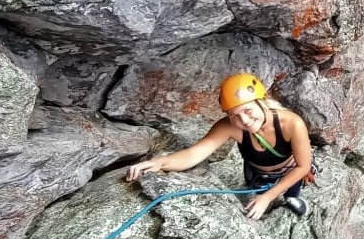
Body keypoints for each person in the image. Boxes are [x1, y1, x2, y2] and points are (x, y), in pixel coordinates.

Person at [125, 73, 313, 219]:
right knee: (260, 188)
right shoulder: (229, 127)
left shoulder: (291, 123)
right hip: (259, 171)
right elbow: (195, 153)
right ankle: (267, 195)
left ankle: (291, 198)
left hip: (291, 169)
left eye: (248, 110)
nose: (244, 121)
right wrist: (160, 163)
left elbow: (303, 166)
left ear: (262, 101)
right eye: (234, 115)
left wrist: (268, 197)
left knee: (289, 189)